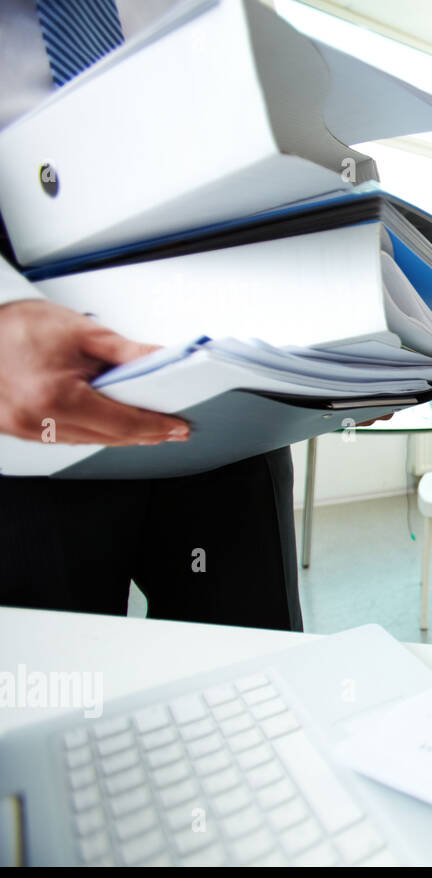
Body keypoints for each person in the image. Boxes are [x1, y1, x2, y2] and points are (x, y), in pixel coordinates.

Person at [0, 0, 303, 630]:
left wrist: (356, 353)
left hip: (221, 391)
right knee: (48, 692)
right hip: (26, 402)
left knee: (250, 660)